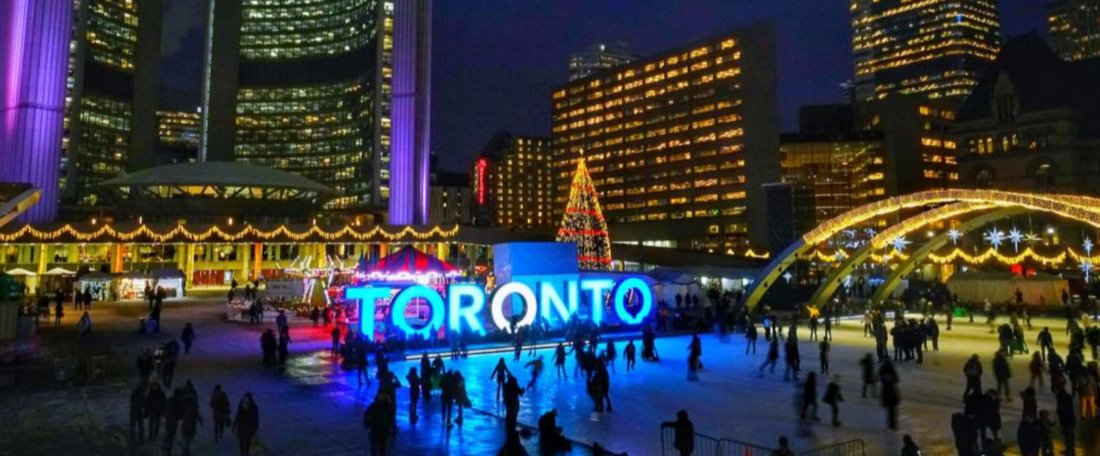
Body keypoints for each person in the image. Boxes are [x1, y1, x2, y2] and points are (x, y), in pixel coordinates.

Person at [881, 359, 901, 430]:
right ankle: (893, 425)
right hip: (891, 393)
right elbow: (897, 379)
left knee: (890, 411)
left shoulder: (883, 370)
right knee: (892, 411)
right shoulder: (890, 370)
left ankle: (891, 425)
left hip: (889, 393)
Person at [1056, 388, 1076, 455]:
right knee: (1070, 436)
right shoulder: (1068, 397)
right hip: (1070, 419)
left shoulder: (1061, 399)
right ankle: (1070, 449)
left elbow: (1060, 410)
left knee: (1068, 436)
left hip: (1066, 420)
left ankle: (1069, 450)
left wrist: (1059, 413)